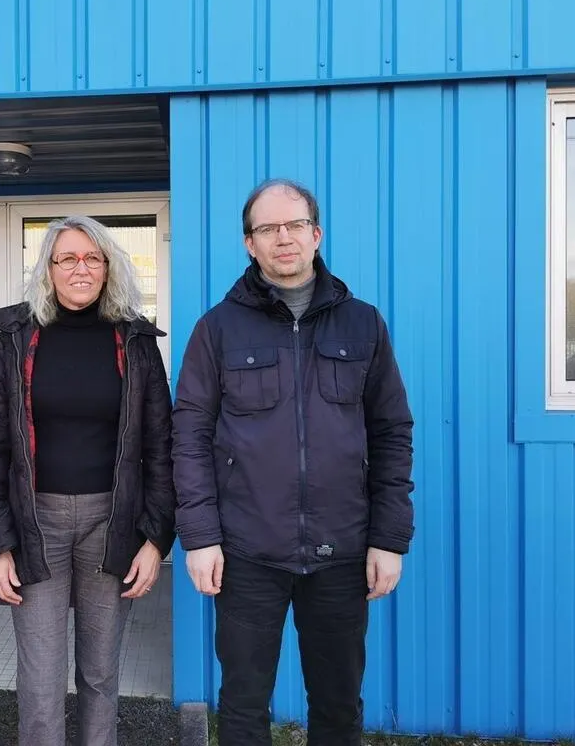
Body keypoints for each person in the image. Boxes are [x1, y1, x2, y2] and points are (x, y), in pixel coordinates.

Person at [172, 180, 414, 745]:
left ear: (316, 234)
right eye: (267, 229)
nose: (283, 238)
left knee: (337, 706)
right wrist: (201, 537)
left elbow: (391, 433)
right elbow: (189, 436)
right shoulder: (217, 330)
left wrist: (389, 538)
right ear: (249, 244)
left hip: (342, 551)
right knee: (242, 706)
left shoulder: (363, 324)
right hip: (247, 553)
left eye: (295, 225)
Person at [0, 215, 176, 746]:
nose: (80, 269)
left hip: (113, 521)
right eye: (67, 259)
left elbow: (161, 448)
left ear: (108, 267)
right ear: (49, 269)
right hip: (37, 522)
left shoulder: (135, 343)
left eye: (92, 258)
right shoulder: (16, 341)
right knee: (40, 676)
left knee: (101, 672)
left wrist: (155, 539)